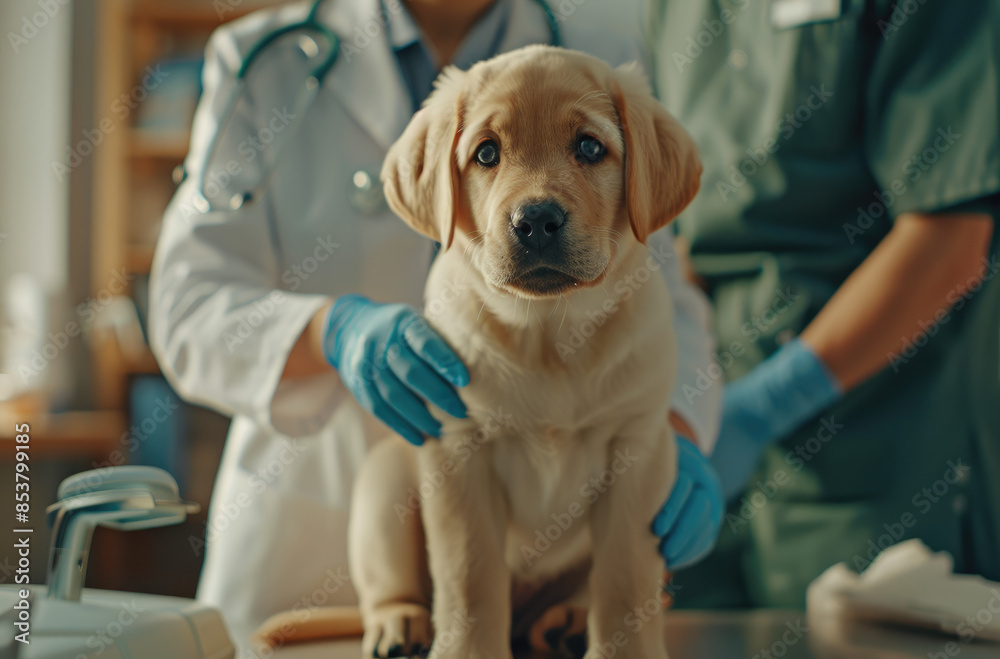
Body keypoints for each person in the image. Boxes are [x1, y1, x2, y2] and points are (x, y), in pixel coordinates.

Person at [149, 0, 724, 644]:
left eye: (587, 147)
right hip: (309, 528)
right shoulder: (264, 61)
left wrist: (666, 432)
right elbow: (187, 303)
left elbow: (661, 286)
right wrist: (329, 333)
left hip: (566, 575)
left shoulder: (604, 55)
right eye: (487, 153)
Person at [647, 0, 1000, 608]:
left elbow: (950, 240)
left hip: (883, 450)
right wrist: (684, 409)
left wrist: (764, 406)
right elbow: (679, 239)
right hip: (705, 449)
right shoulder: (671, 13)